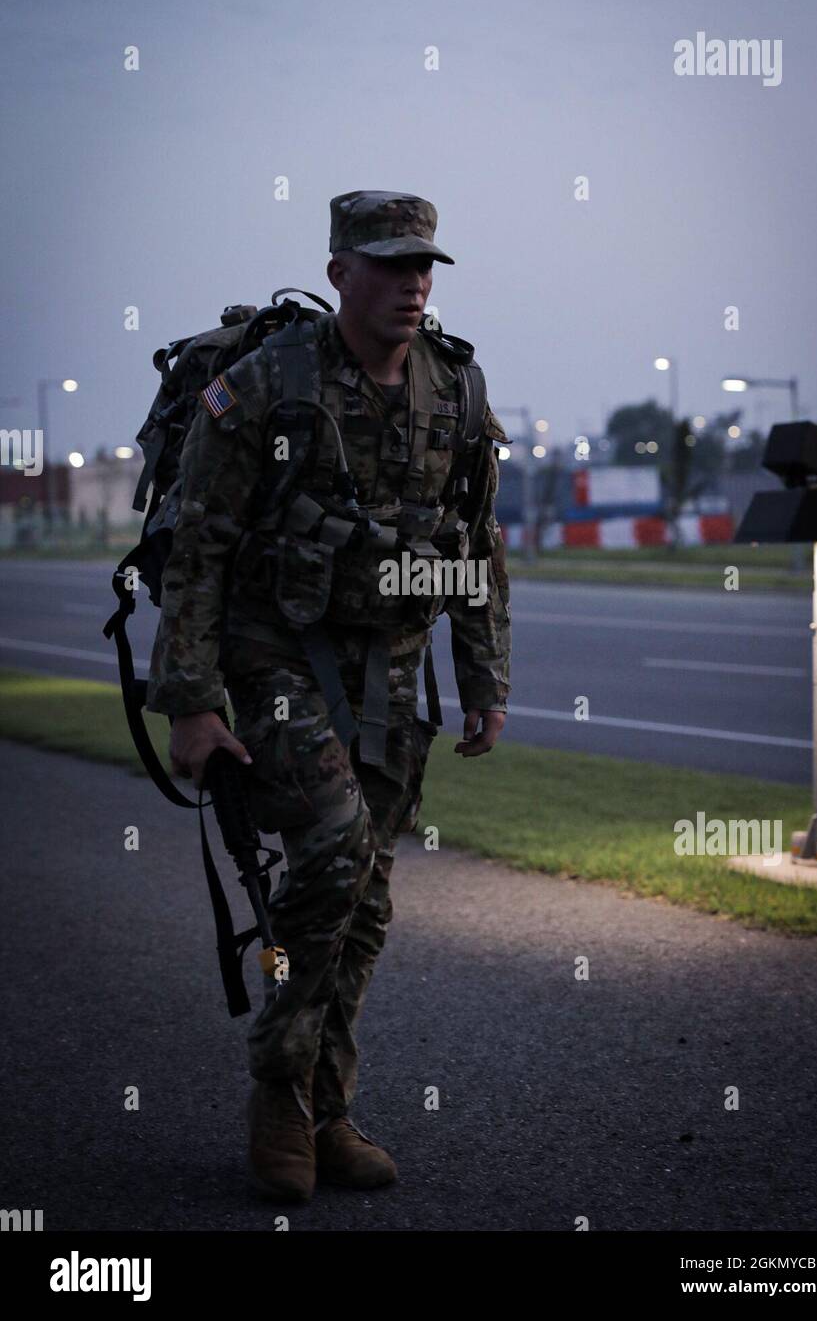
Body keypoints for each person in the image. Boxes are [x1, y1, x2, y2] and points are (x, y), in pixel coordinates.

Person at [146, 189, 512, 1202]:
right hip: (275, 657)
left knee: (363, 900)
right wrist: (189, 698)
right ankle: (278, 1088)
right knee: (336, 849)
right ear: (340, 269)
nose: (412, 282)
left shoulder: (458, 388)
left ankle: (326, 1104)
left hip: (392, 668)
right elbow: (197, 547)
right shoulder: (266, 385)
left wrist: (484, 678)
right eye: (389, 264)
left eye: (423, 264)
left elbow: (474, 545)